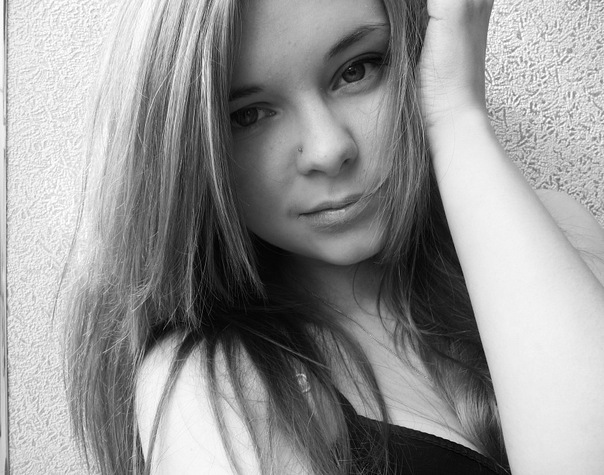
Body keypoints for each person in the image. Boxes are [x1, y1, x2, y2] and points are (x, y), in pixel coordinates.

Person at [65, 0, 604, 473]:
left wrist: (459, 115)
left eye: (357, 70)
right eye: (247, 115)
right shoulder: (210, 385)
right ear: (186, 151)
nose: (328, 150)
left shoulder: (558, 230)